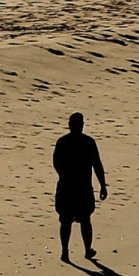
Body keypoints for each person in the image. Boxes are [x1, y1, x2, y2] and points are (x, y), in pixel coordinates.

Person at [53, 112, 107, 262]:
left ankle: (65, 251)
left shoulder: (62, 142)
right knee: (84, 220)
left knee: (66, 220)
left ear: (70, 125)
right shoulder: (88, 142)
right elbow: (97, 165)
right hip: (82, 187)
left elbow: (56, 163)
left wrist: (64, 176)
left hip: (66, 186)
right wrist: (103, 185)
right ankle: (87, 250)